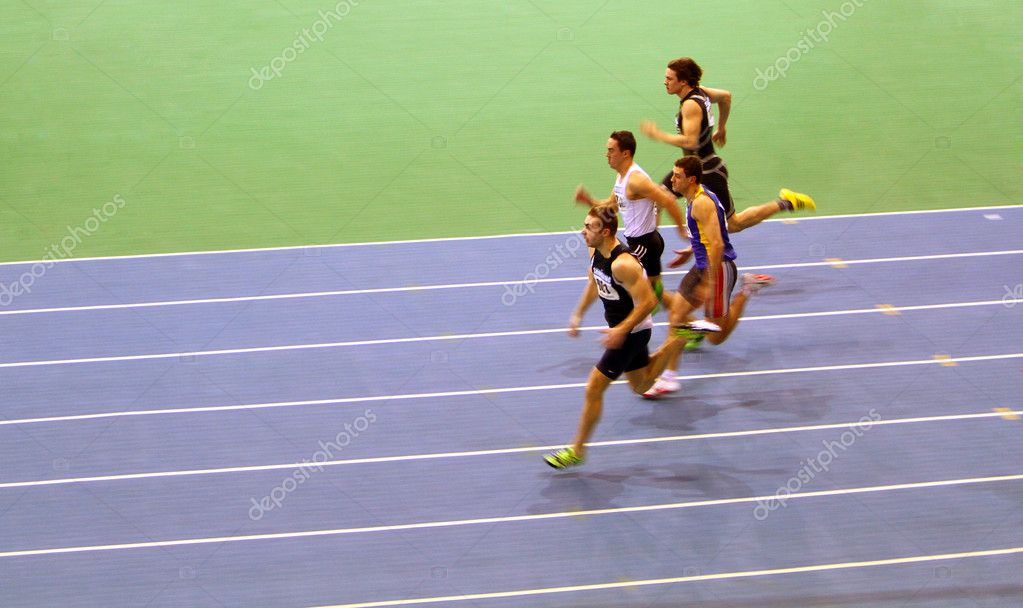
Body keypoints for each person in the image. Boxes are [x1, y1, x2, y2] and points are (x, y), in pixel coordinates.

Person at [544, 206, 717, 469]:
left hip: (632, 331)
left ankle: (577, 450)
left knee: (593, 387)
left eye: (588, 227)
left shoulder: (624, 264)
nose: (582, 231)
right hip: (622, 330)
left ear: (605, 232)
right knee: (642, 385)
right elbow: (595, 282)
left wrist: (621, 330)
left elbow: (649, 302)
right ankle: (677, 337)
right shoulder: (595, 252)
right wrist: (578, 314)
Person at [640, 57, 816, 235]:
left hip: (707, 170)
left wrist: (658, 135)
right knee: (657, 199)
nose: (665, 82)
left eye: (669, 78)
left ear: (683, 81)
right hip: (691, 167)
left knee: (734, 224)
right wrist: (721, 128)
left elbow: (691, 141)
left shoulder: (690, 105)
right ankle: (650, 249)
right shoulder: (701, 92)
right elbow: (726, 97)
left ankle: (786, 202)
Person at [645, 157, 772, 398]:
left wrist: (708, 282)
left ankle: (747, 289)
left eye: (677, 176)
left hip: (718, 269)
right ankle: (670, 378)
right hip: (702, 265)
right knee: (676, 315)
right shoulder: (694, 199)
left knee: (717, 337)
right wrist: (691, 250)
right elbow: (707, 236)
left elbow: (717, 243)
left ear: (691, 180)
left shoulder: (701, 203)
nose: (672, 180)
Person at [574, 130, 689, 314]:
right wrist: (589, 200)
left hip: (644, 244)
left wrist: (681, 230)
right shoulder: (621, 177)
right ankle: (687, 321)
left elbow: (667, 199)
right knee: (649, 294)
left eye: (611, 150)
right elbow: (612, 205)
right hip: (640, 241)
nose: (607, 154)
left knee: (622, 285)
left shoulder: (635, 180)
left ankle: (637, 319)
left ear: (625, 153)